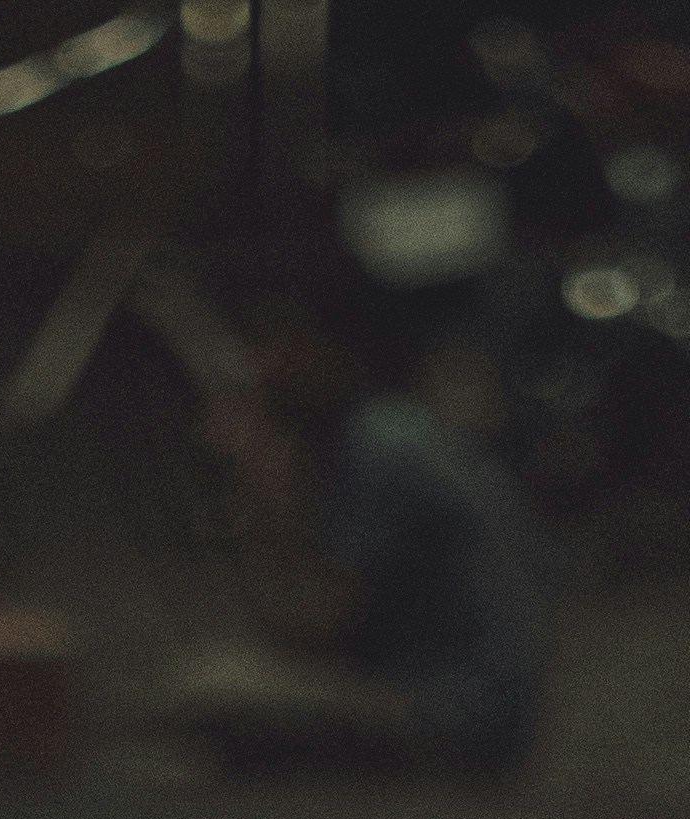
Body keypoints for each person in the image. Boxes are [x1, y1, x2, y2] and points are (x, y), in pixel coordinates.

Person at [161, 294, 552, 781]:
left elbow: (321, 618)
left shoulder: (380, 447)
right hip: (459, 696)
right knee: (217, 677)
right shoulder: (385, 429)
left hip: (459, 712)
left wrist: (262, 491)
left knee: (217, 684)